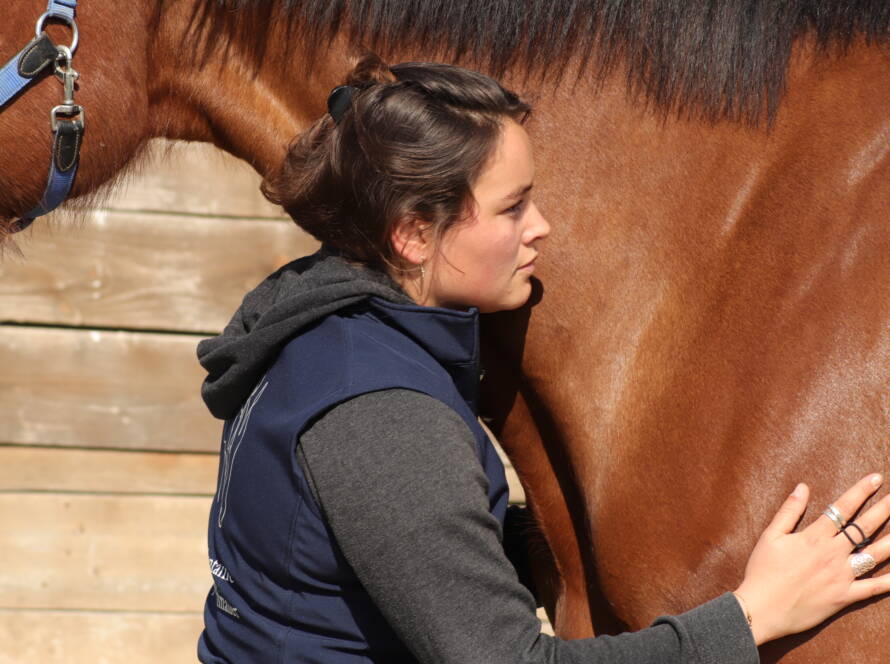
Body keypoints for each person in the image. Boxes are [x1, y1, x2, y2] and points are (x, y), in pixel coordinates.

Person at [195, 54, 889, 663]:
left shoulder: (328, 338)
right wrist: (753, 616)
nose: (542, 228)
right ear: (412, 234)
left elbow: (389, 557)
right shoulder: (380, 411)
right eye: (512, 208)